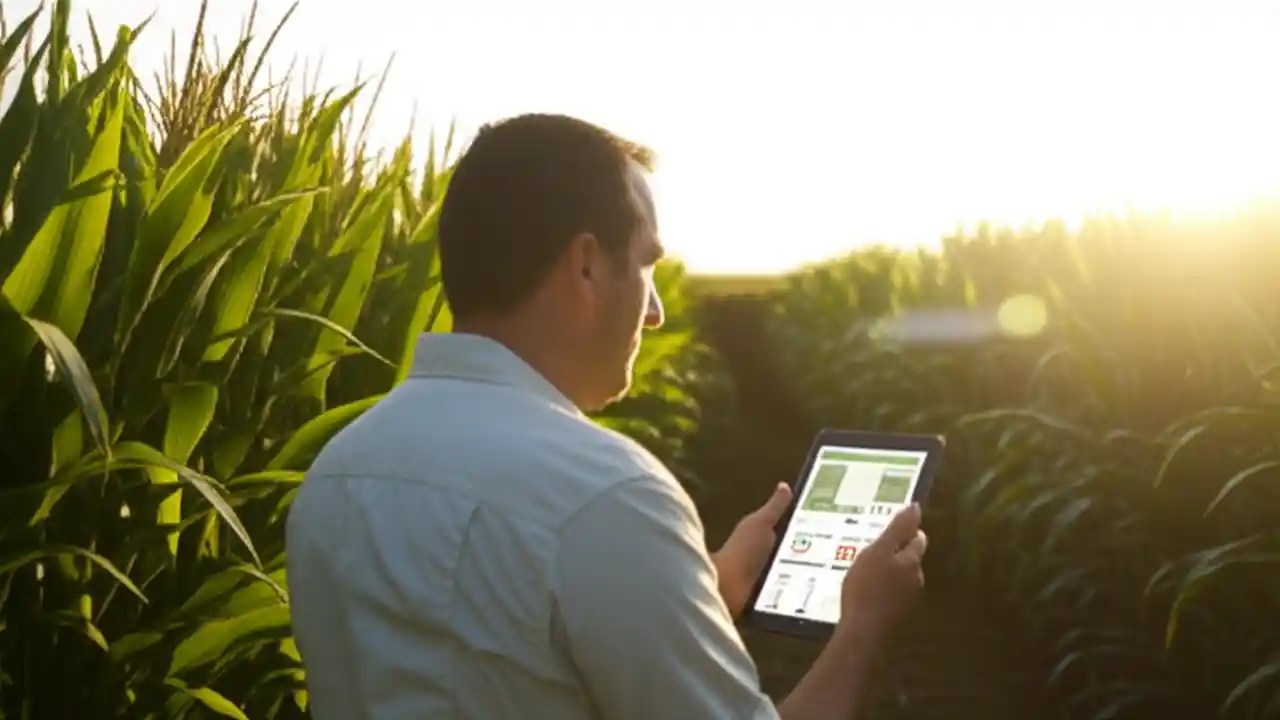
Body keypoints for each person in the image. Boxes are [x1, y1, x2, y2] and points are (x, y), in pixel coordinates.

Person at [284, 112, 928, 719]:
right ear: (587, 265)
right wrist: (864, 623)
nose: (656, 314)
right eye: (647, 264)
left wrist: (706, 590)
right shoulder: (607, 495)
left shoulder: (339, 471)